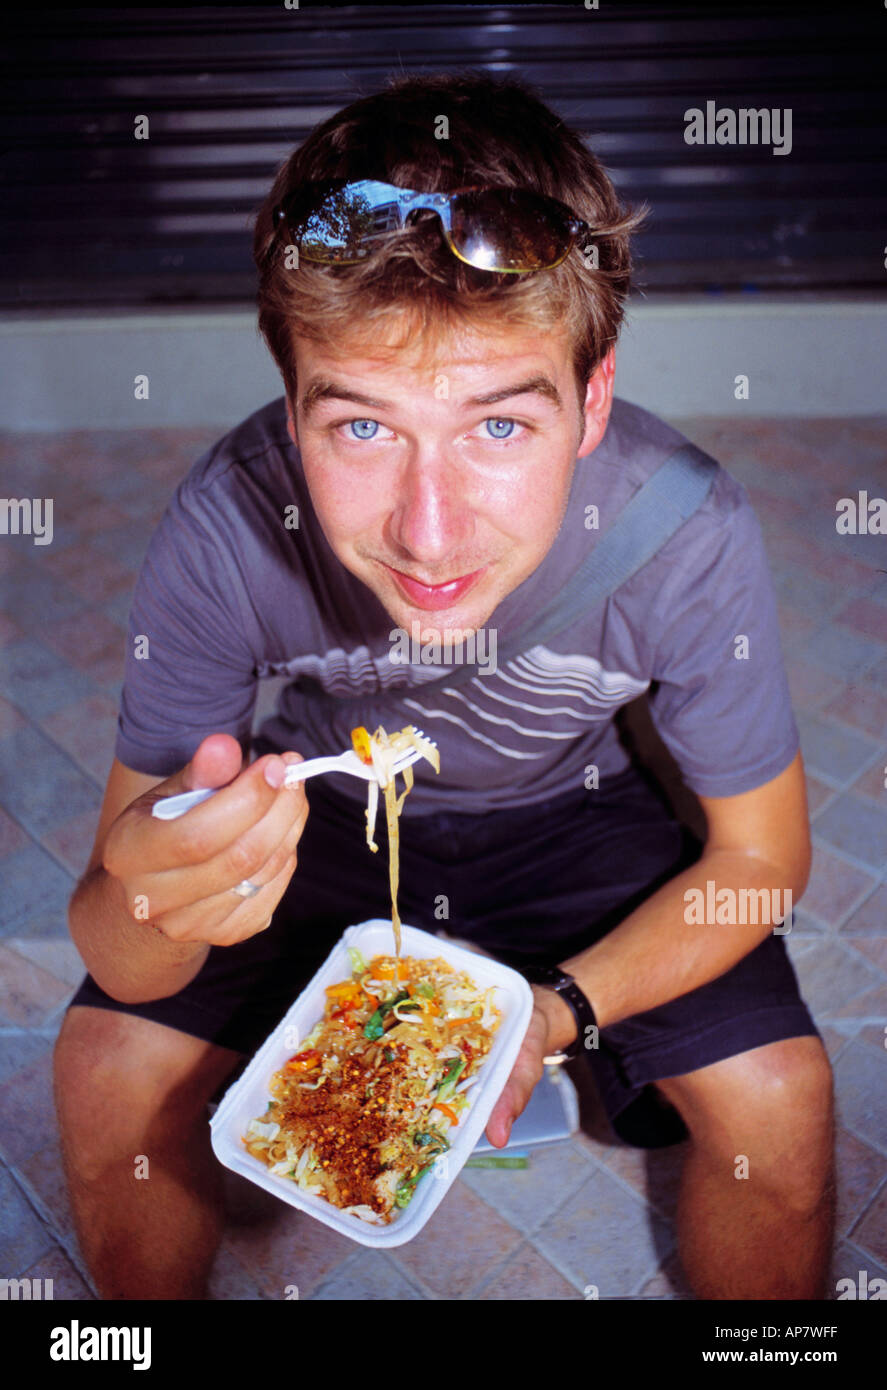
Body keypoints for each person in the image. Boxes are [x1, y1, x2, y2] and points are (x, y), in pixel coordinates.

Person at [55, 70, 834, 1301]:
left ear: (592, 401)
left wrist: (557, 1008)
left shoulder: (685, 527)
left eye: (498, 426)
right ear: (291, 405)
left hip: (585, 817)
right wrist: (154, 904)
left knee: (781, 1100)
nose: (427, 533)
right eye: (360, 428)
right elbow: (110, 922)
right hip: (325, 824)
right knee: (104, 1074)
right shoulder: (223, 521)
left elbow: (758, 859)